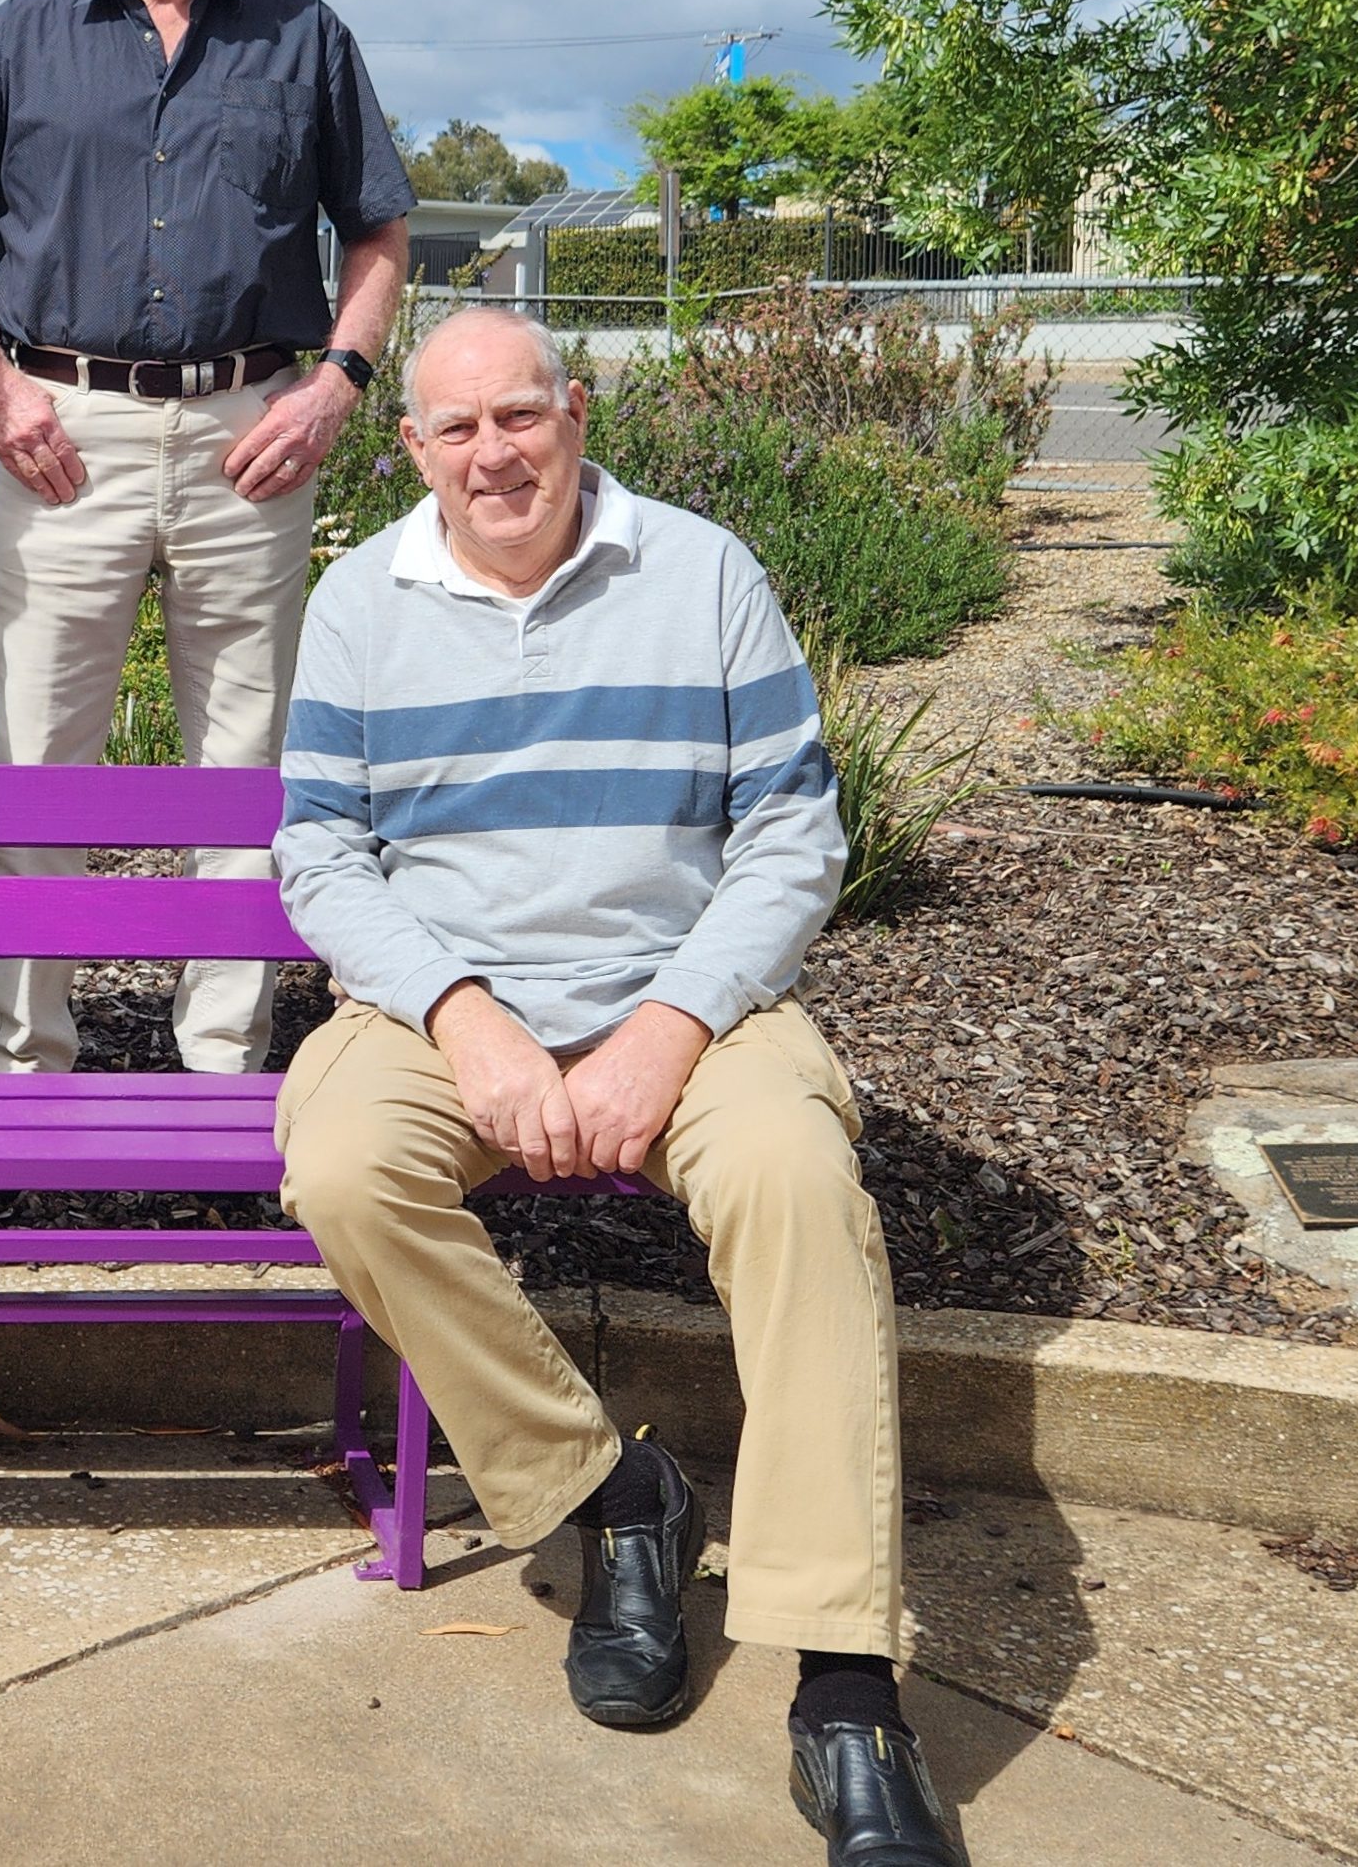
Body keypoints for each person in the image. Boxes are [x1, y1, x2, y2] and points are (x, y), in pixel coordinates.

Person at [271, 308, 969, 1867]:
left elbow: (793, 828)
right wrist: (465, 1018)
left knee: (799, 1186)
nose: (492, 453)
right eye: (455, 430)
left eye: (520, 415)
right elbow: (319, 848)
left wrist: (667, 1023)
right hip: (447, 1017)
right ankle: (613, 1494)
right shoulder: (359, 602)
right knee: (341, 1165)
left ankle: (846, 1688)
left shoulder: (702, 571)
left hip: (692, 1010)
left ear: (575, 413)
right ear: (413, 449)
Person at [0, 0, 416, 1077]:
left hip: (255, 438)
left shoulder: (304, 38)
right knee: (37, 763)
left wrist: (336, 387)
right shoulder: (20, 37)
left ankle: (224, 1070)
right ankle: (26, 1064)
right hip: (64, 435)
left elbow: (382, 237)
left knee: (245, 778)